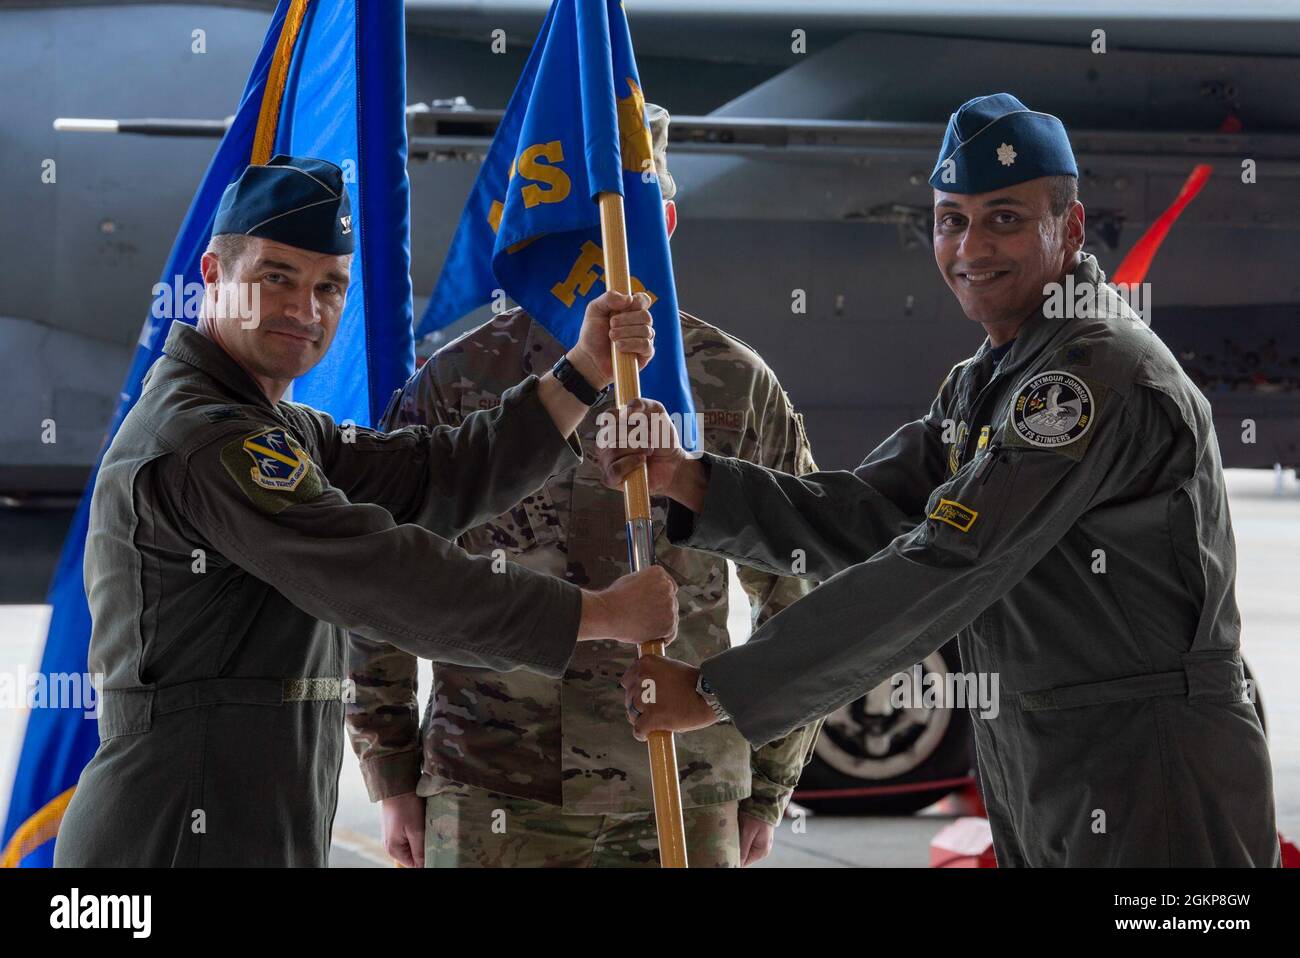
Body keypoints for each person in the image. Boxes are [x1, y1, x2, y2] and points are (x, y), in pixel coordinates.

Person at [605, 94, 1279, 867]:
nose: (970, 245)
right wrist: (692, 482)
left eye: (1005, 218)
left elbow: (951, 561)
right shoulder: (991, 377)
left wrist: (722, 692)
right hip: (1049, 757)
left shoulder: (1092, 376)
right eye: (951, 218)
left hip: (1152, 769)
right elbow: (871, 516)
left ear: (1072, 228)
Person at [54, 154, 677, 867]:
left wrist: (585, 369)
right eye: (276, 277)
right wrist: (596, 616)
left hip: (238, 819)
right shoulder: (209, 439)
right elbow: (385, 577)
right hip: (174, 833)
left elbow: (432, 474)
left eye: (330, 287)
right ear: (214, 276)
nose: (304, 309)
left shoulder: (271, 426)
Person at [347, 105, 821, 868]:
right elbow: (385, 578)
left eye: (630, 216)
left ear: (664, 220)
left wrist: (768, 783)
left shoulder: (734, 383)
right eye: (585, 221)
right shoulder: (459, 382)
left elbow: (795, 586)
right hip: (493, 784)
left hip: (683, 780)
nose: (604, 241)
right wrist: (391, 769)